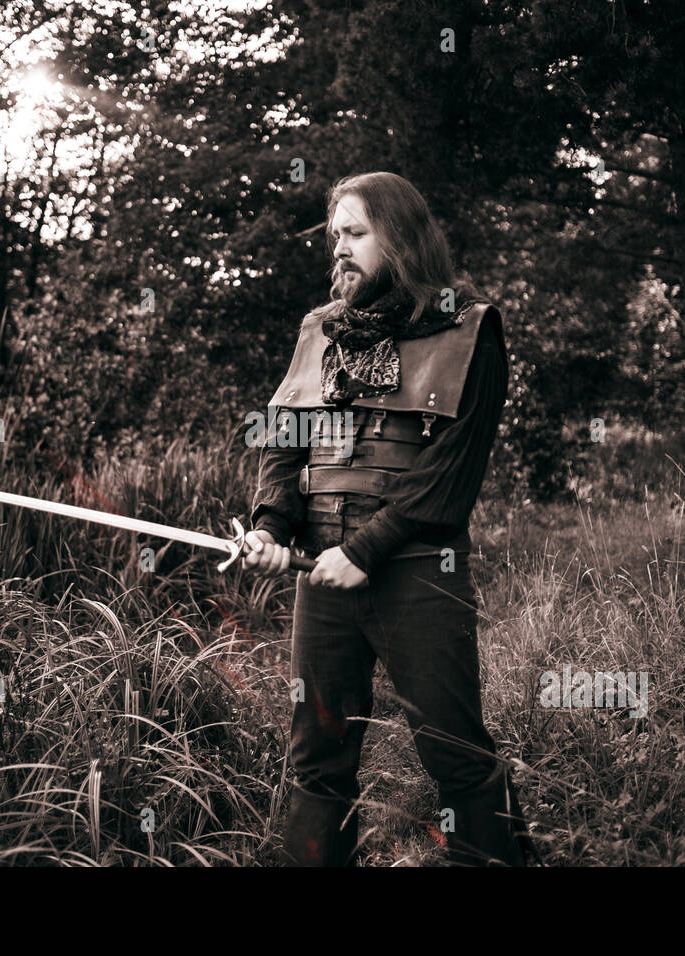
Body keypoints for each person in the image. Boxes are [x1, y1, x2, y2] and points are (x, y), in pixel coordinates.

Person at [244, 171, 538, 866]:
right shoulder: (319, 329)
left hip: (417, 569)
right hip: (320, 573)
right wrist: (270, 527)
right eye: (334, 236)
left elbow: (451, 473)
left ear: (400, 237)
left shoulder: (469, 328)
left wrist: (366, 550)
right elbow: (285, 442)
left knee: (454, 750)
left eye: (355, 233)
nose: (339, 249)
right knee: (317, 755)